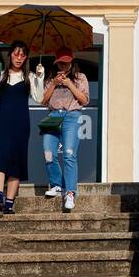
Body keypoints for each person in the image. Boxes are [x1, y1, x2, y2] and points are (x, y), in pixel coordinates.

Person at [0, 41, 31, 215]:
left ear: (26, 58)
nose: (19, 58)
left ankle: (9, 204)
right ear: (10, 55)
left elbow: (40, 98)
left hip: (21, 124)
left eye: (22, 55)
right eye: (16, 54)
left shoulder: (29, 78)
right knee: (1, 157)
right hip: (1, 122)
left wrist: (40, 77)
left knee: (17, 162)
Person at [40, 46, 89, 212]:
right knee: (48, 153)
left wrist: (69, 84)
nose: (62, 66)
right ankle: (56, 185)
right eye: (60, 63)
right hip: (53, 116)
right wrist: (54, 83)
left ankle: (70, 192)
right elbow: (43, 101)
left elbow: (84, 100)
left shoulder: (80, 77)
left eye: (65, 63)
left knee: (69, 154)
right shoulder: (51, 78)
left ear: (71, 62)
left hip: (71, 116)